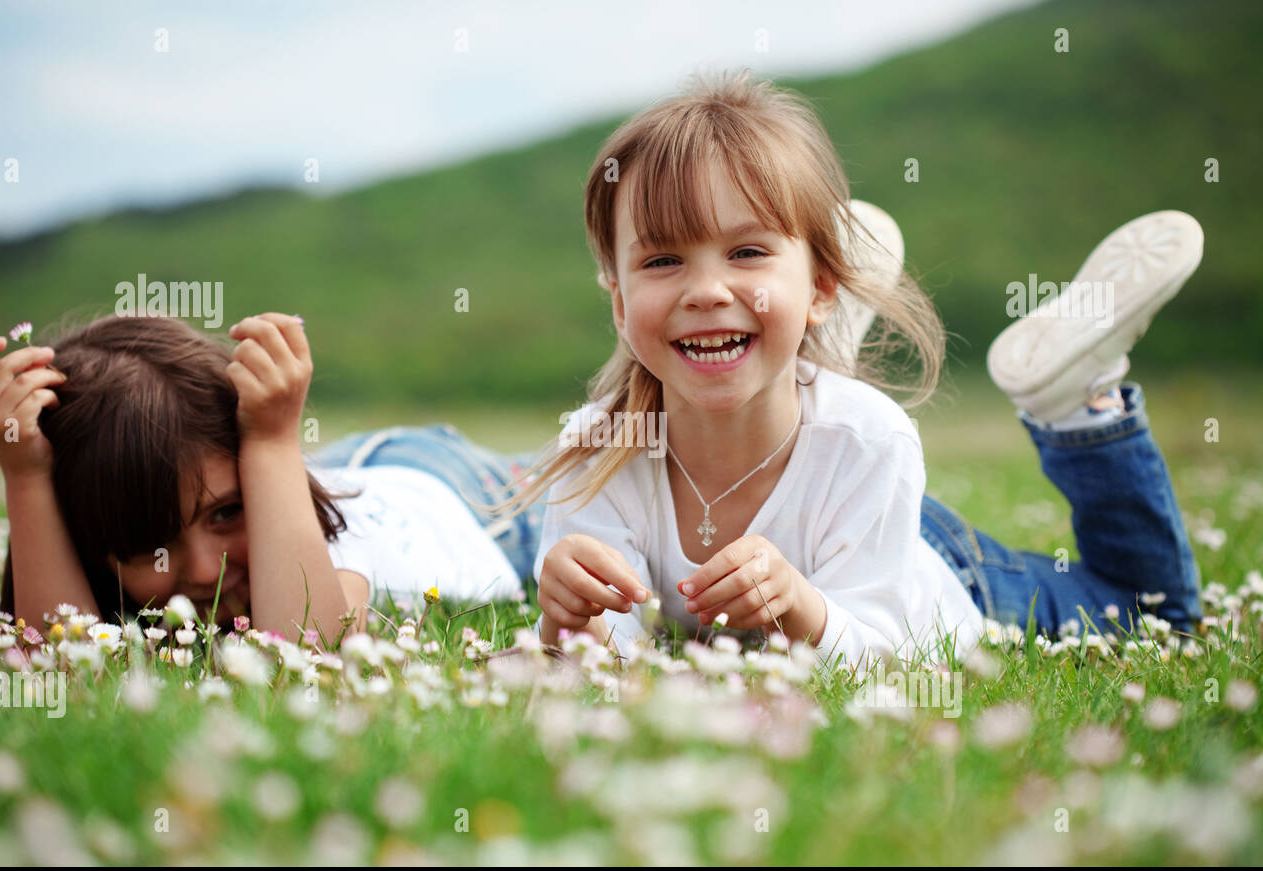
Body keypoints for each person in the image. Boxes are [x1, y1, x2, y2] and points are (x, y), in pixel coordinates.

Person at [513, 69, 1203, 671]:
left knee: (1152, 613)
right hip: (840, 490)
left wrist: (805, 612)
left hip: (935, 571)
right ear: (619, 303)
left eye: (748, 251)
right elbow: (609, 650)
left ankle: (1073, 399)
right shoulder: (597, 450)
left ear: (821, 286)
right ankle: (794, 351)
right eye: (662, 261)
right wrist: (567, 622)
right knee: (826, 432)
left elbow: (887, 647)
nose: (705, 291)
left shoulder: (875, 439)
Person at [0, 312, 540, 643]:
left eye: (226, 513)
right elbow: (61, 661)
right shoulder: (222, 482)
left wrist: (270, 438)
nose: (201, 571)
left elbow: (302, 654)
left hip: (460, 497)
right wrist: (26, 475)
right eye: (147, 543)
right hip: (340, 467)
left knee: (563, 484)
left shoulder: (334, 548)